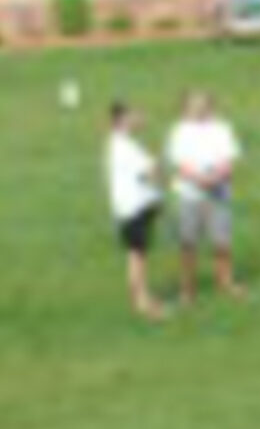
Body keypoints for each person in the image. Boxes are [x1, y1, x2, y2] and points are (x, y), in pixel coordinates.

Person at [165, 88, 248, 303]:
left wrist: (216, 177)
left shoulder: (222, 128)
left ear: (210, 106)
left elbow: (230, 159)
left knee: (222, 241)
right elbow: (177, 163)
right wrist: (199, 179)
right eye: (194, 105)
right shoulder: (179, 130)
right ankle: (187, 289)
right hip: (189, 193)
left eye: (203, 104)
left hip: (219, 192)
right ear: (186, 108)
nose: (199, 109)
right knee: (188, 243)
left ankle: (226, 281)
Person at [104, 100, 170, 321]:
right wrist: (161, 170)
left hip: (134, 207)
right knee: (137, 256)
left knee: (138, 255)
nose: (139, 118)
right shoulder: (124, 146)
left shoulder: (123, 143)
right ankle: (142, 302)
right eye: (133, 115)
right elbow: (150, 172)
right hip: (133, 208)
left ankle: (142, 297)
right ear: (121, 120)